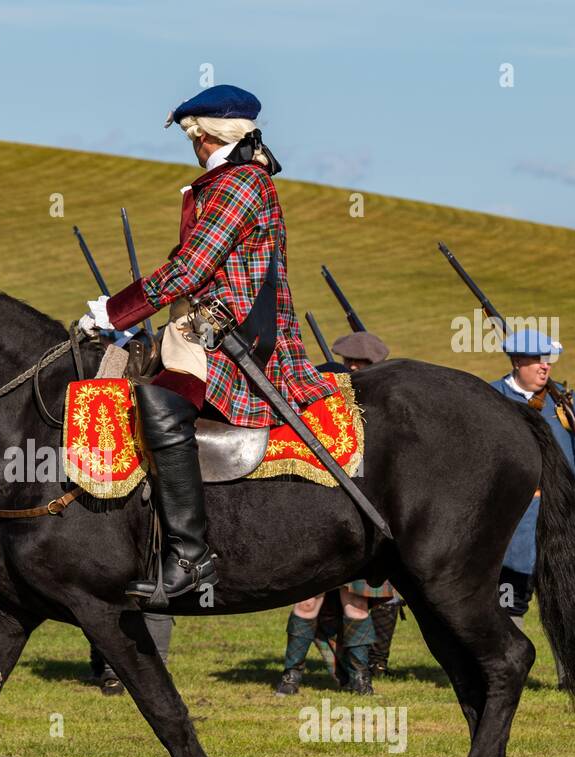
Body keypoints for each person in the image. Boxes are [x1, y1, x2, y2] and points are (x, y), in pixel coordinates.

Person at [86, 84, 336, 603]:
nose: (190, 143)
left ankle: (190, 554)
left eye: (191, 134)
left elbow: (192, 267)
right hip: (204, 328)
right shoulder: (233, 180)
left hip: (233, 336)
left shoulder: (240, 183)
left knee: (160, 404)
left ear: (203, 135)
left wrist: (115, 311)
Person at [276, 332, 397, 697]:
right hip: (320, 522)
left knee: (356, 603)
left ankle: (361, 678)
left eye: (359, 366)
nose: (352, 372)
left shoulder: (384, 415)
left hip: (360, 525)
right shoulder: (325, 411)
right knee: (307, 600)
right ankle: (290, 675)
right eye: (349, 365)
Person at [489, 328, 575, 638]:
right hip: (514, 514)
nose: (546, 366)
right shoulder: (491, 397)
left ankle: (570, 673)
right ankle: (509, 662)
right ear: (517, 361)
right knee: (510, 593)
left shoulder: (563, 398)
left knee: (569, 594)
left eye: (548, 360)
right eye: (537, 360)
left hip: (563, 510)